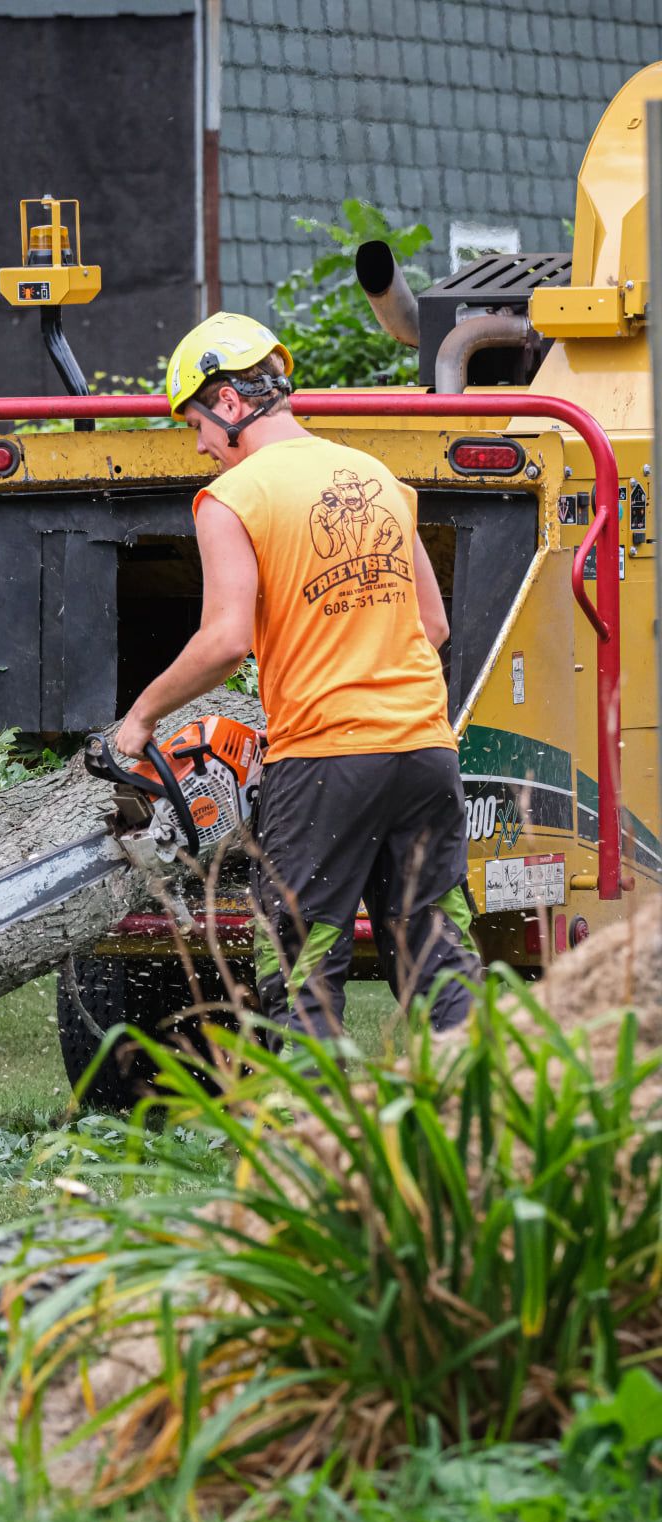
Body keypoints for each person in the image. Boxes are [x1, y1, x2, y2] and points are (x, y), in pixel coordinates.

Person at [116, 311, 480, 1040]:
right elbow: (433, 627)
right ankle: (486, 1125)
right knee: (442, 958)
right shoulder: (376, 478)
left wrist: (141, 718)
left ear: (228, 404)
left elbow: (225, 640)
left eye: (195, 423)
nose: (199, 446)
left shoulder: (234, 497)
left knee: (305, 972)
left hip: (324, 765)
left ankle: (311, 1149)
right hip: (425, 751)